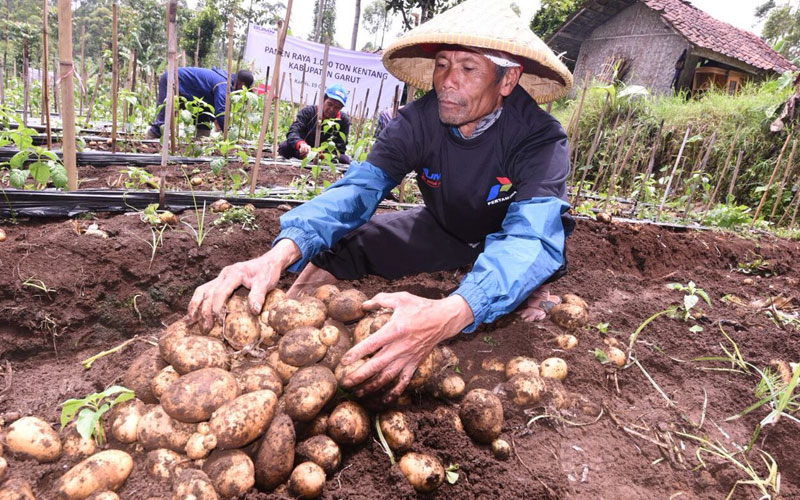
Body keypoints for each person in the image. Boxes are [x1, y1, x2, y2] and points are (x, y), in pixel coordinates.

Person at [187, 0, 574, 402]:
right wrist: (279, 254)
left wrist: (453, 311)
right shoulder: (416, 122)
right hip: (447, 228)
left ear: (508, 80)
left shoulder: (540, 138)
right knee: (349, 244)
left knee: (530, 260)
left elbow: (531, 238)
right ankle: (295, 293)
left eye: (468, 68)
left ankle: (527, 289)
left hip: (509, 236)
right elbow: (358, 190)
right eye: (442, 64)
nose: (447, 81)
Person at [145, 67, 254, 139]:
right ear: (241, 84)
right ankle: (148, 143)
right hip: (173, 80)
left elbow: (215, 110)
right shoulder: (224, 84)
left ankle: (199, 144)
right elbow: (221, 112)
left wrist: (216, 119)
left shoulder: (225, 81)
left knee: (204, 115)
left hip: (190, 91)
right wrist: (230, 134)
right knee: (165, 117)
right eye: (245, 89)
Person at [277, 83, 352, 164]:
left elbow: (340, 147)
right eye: (329, 104)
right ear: (323, 100)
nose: (331, 109)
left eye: (336, 107)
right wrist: (301, 144)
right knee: (285, 147)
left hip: (325, 156)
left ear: (341, 108)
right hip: (303, 151)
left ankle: (312, 160)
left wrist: (321, 154)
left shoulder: (343, 121)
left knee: (344, 159)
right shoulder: (308, 112)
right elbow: (293, 132)